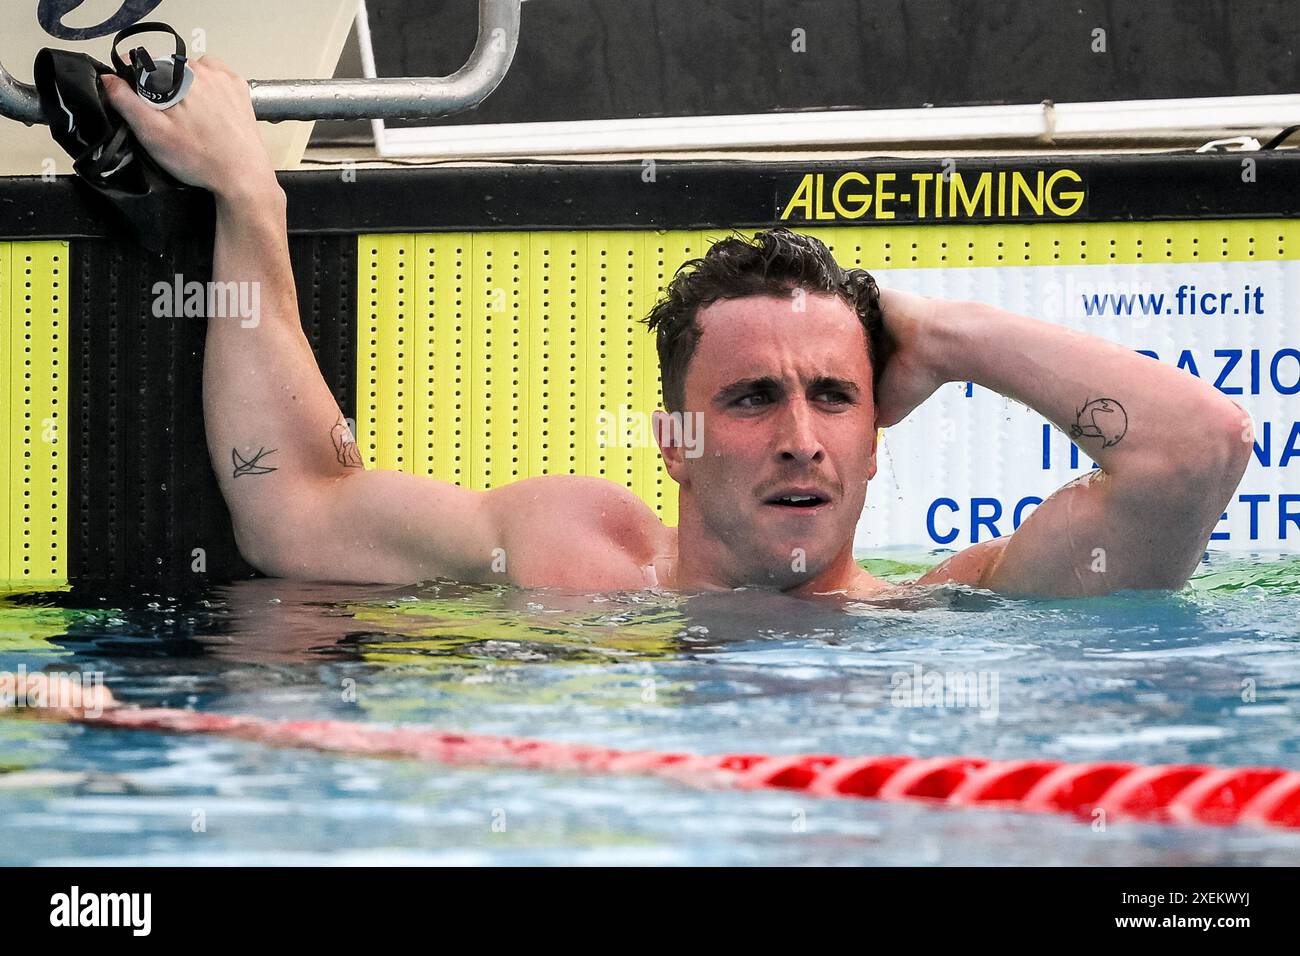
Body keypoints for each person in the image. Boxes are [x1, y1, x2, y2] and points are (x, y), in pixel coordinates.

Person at [101, 58, 1254, 600]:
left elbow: (1192, 449)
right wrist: (252, 202)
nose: (800, 435)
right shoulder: (567, 556)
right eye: (751, 398)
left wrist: (939, 338)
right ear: (672, 442)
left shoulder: (959, 613)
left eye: (834, 395)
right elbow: (290, 500)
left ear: (875, 429)